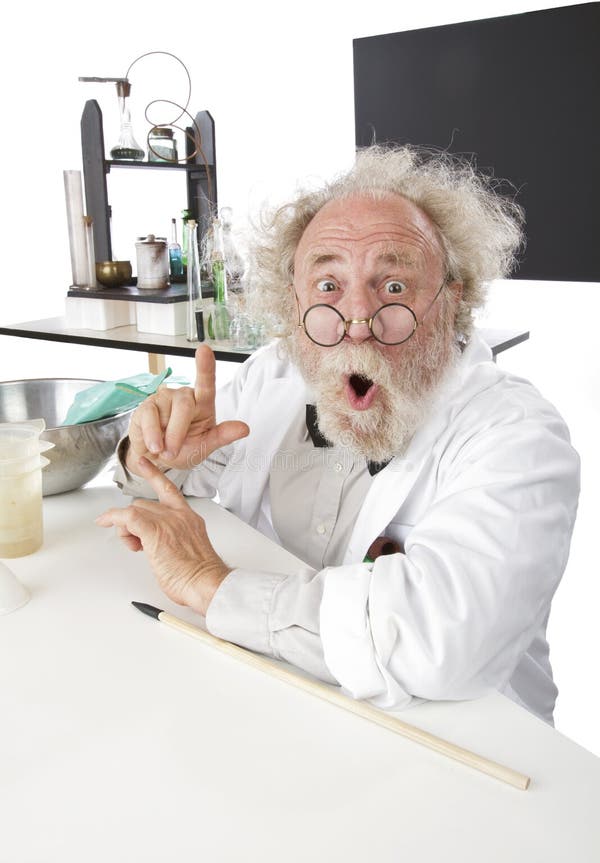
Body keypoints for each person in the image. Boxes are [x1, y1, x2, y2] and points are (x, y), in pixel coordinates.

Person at [97, 145, 580, 724]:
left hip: (468, 737)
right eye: (328, 286)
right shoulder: (277, 372)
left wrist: (211, 584)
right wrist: (158, 453)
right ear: (293, 300)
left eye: (394, 287)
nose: (357, 323)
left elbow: (439, 641)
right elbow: (178, 484)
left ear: (450, 302)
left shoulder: (517, 434)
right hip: (281, 696)